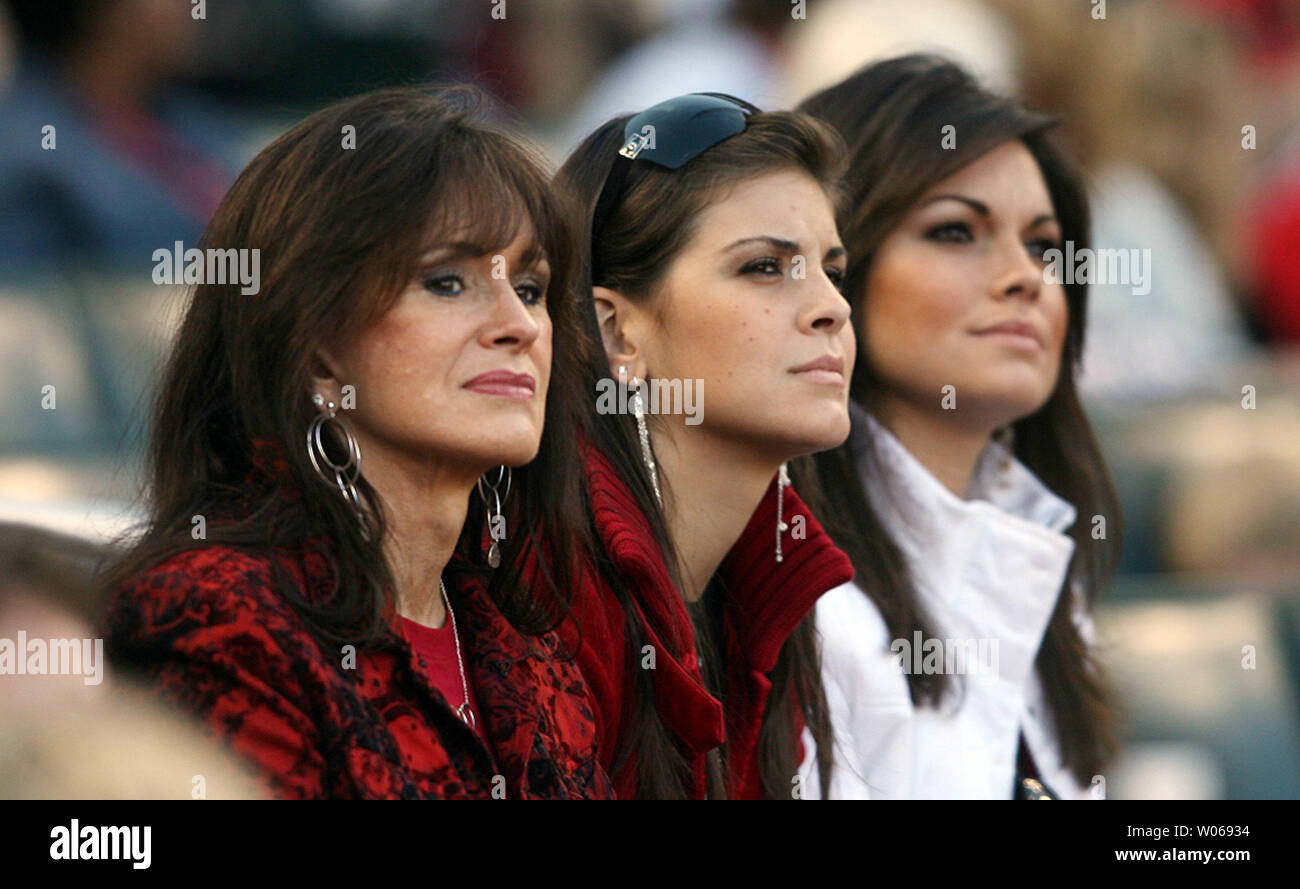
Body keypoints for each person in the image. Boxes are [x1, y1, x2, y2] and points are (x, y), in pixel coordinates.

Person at [100, 86, 610, 800]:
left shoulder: (527, 644)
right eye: (447, 281)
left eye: (530, 287)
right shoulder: (215, 620)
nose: (519, 325)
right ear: (313, 346)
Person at [794, 55, 1122, 799]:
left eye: (1044, 244)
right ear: (834, 268)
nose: (1026, 276)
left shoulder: (1039, 562)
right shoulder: (799, 599)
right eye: (955, 232)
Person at [555, 93, 855, 798]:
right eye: (763, 267)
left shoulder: (771, 583)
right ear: (618, 332)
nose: (832, 307)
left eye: (831, 270)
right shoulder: (553, 591)